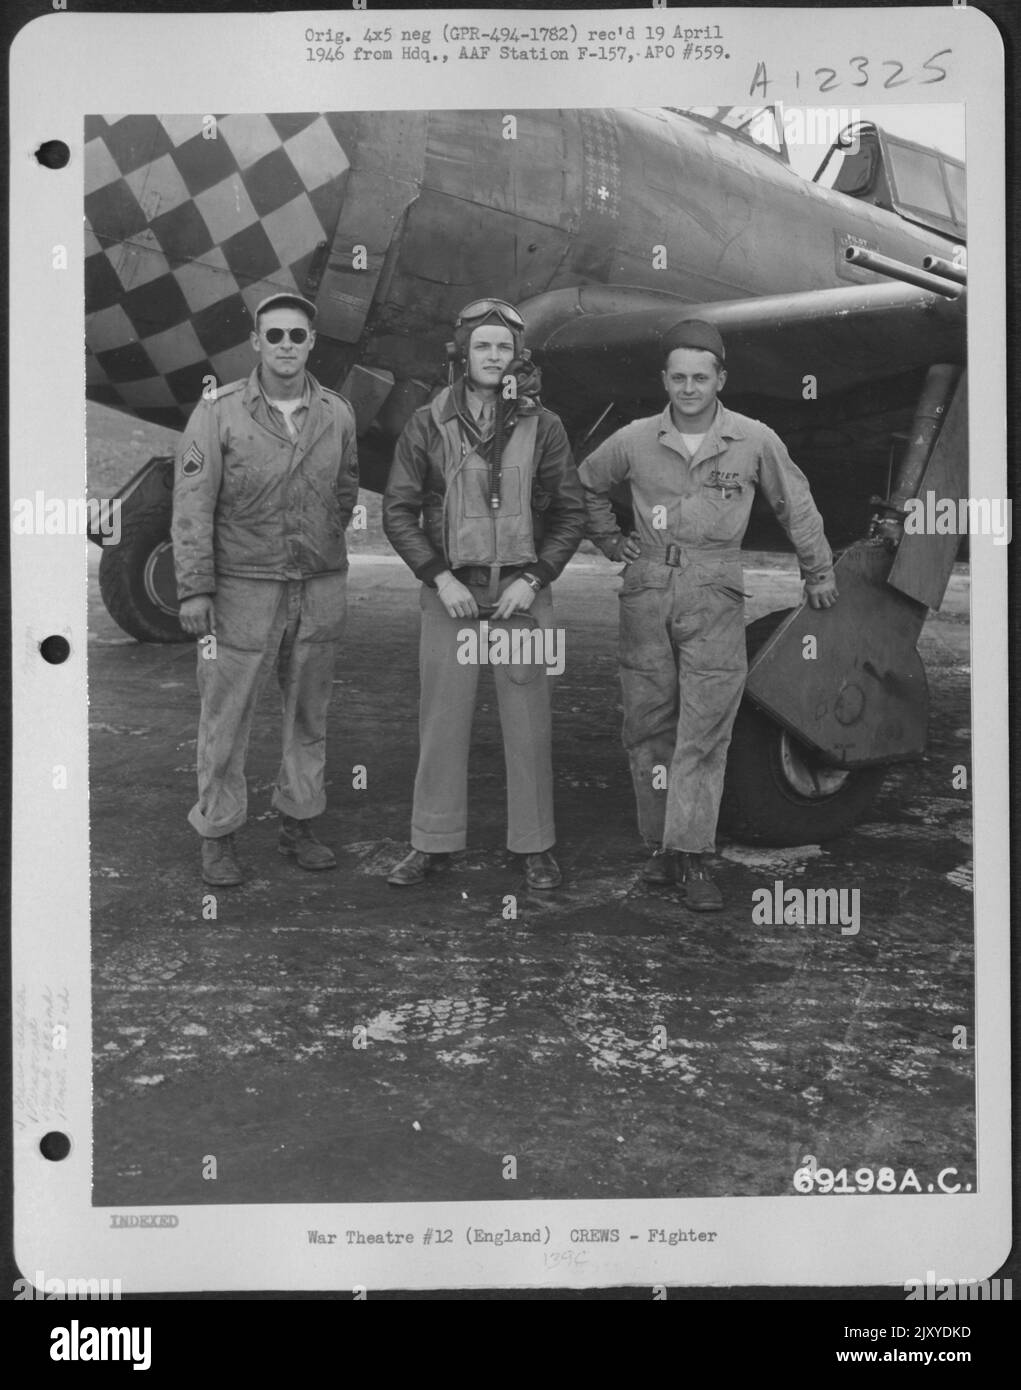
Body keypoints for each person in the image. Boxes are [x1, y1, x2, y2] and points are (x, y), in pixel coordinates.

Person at [577, 320, 838, 910]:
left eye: (701, 376)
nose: (689, 387)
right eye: (678, 377)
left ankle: (693, 858)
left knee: (705, 729)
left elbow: (793, 502)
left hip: (715, 588)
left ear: (721, 378)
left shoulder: (753, 439)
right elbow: (586, 483)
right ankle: (661, 849)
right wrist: (606, 538)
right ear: (664, 380)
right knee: (647, 727)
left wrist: (818, 570)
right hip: (646, 588)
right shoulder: (635, 439)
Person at [382, 298, 586, 889]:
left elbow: (570, 514)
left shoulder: (544, 426)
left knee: (529, 725)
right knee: (441, 723)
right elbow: (397, 511)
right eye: (482, 346)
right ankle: (431, 843)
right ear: (462, 354)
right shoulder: (428, 422)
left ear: (516, 356)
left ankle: (535, 846)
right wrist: (439, 578)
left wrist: (535, 578)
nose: (493, 357)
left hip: (521, 596)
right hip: (452, 595)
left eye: (503, 347)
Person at [172, 292, 358, 887]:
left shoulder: (338, 413)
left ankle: (299, 822)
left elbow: (346, 490)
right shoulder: (218, 411)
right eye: (273, 335)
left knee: (309, 713)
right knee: (226, 715)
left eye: (296, 336)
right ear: (255, 342)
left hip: (319, 584)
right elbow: (192, 506)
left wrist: (319, 538)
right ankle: (219, 832)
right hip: (243, 588)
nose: (285, 346)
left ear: (311, 343)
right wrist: (195, 589)